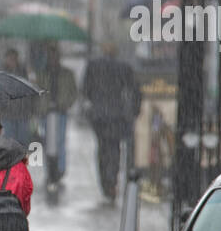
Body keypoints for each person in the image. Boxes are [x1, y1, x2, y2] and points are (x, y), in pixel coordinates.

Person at [82, 42, 142, 201]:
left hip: (100, 116)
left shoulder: (94, 66)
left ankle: (106, 182)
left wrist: (94, 105)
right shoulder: (123, 67)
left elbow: (86, 90)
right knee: (114, 149)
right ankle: (112, 181)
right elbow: (135, 89)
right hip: (116, 116)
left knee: (103, 148)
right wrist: (134, 110)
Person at [36, 42, 77, 190]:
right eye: (50, 56)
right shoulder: (43, 73)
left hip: (61, 111)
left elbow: (74, 92)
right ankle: (50, 171)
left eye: (54, 55)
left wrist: (66, 103)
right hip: (46, 112)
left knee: (60, 141)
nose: (52, 58)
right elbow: (37, 91)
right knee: (47, 142)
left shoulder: (67, 73)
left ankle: (60, 169)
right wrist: (41, 106)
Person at [0, 48, 34, 146]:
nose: (12, 61)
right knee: (9, 143)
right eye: (10, 58)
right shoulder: (1, 73)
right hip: (7, 115)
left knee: (23, 143)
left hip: (22, 114)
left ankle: (21, 161)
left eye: (14, 58)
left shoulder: (23, 72)